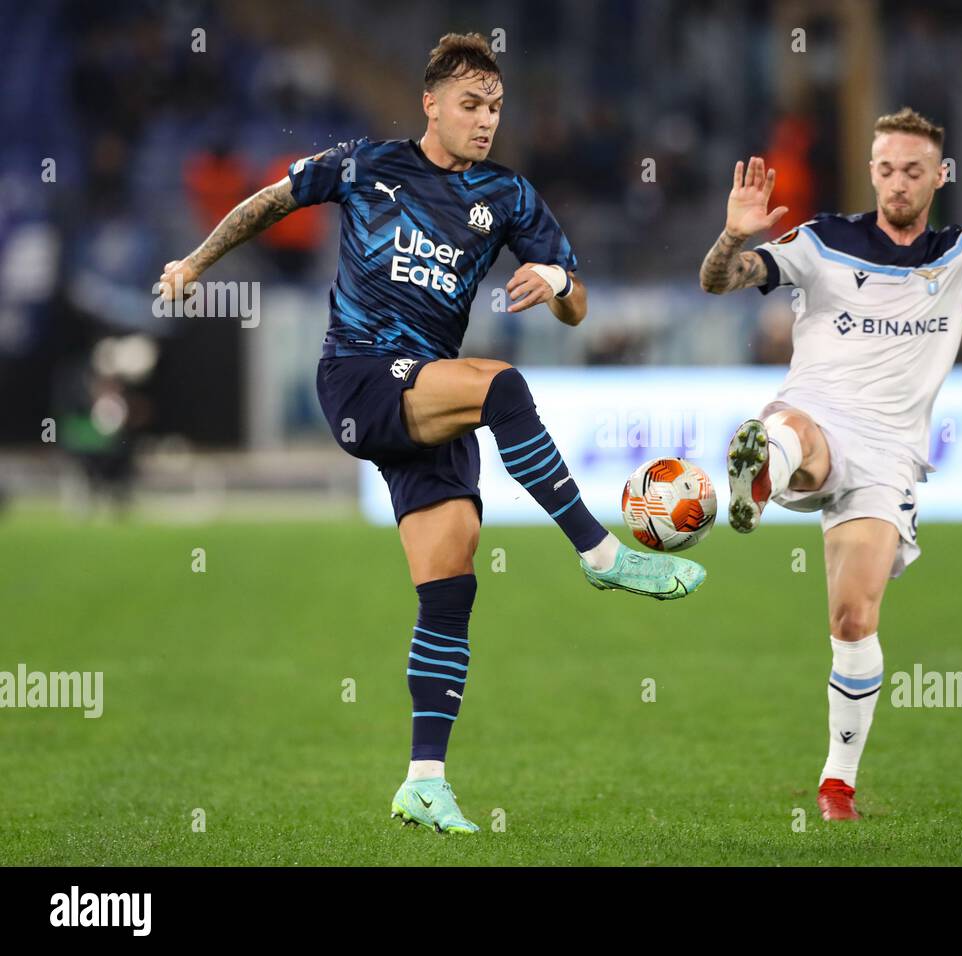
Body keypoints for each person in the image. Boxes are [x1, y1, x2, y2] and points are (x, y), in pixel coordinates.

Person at [158, 33, 705, 836]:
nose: (485, 120)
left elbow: (577, 306)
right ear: (431, 104)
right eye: (471, 104)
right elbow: (270, 201)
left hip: (424, 394)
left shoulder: (508, 196)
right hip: (358, 374)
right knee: (502, 386)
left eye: (495, 107)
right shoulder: (366, 164)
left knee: (450, 587)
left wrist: (557, 279)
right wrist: (195, 262)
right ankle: (600, 553)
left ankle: (424, 781)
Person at [699, 57, 962, 821]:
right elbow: (720, 280)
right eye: (886, 169)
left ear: (939, 176)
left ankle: (837, 783)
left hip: (888, 456)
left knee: (854, 620)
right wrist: (731, 235)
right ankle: (762, 471)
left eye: (913, 171)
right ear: (871, 171)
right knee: (792, 429)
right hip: (815, 414)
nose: (898, 183)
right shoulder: (821, 242)